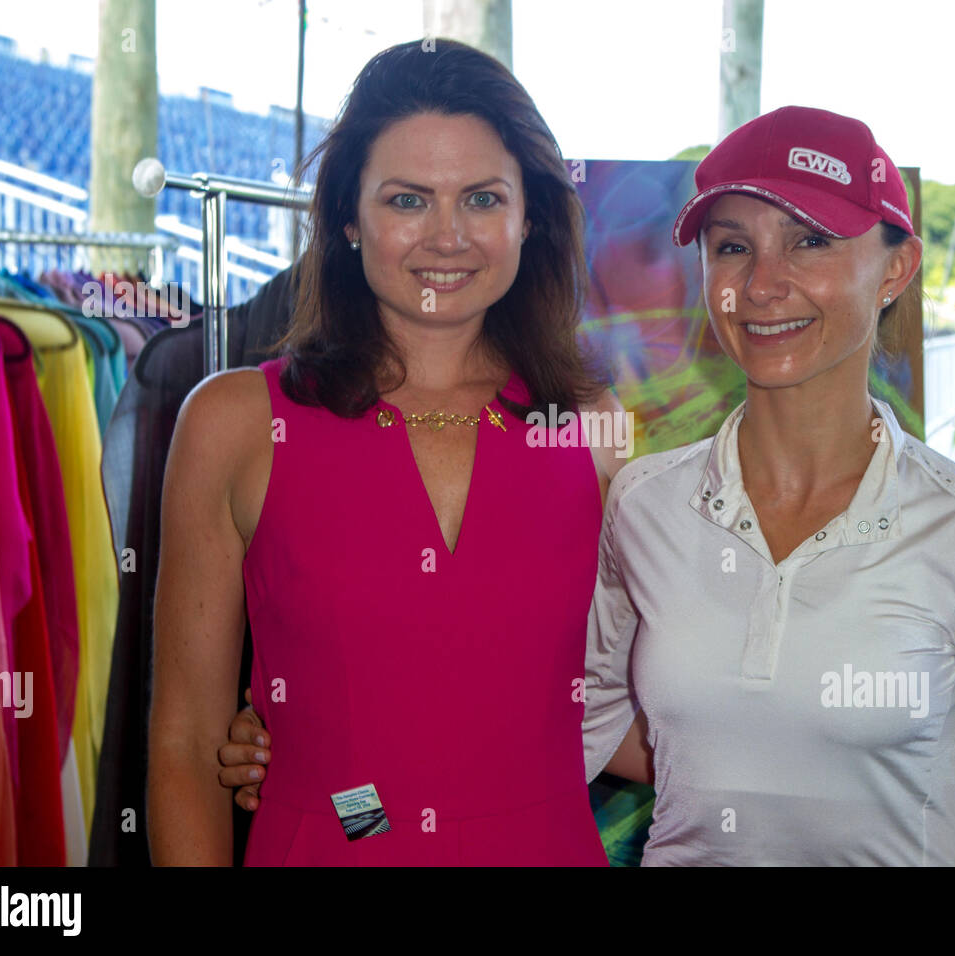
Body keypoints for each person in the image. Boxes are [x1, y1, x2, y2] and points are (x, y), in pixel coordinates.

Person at [222, 105, 955, 866]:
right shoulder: (644, 502)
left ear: (895, 269)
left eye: (811, 240)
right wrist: (312, 745)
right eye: (733, 246)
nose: (764, 282)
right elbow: (557, 714)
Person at [147, 39, 620, 866]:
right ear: (347, 219)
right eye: (407, 200)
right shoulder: (234, 424)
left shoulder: (594, 428)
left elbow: (649, 709)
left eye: (481, 198)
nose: (447, 237)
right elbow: (185, 747)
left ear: (529, 216)